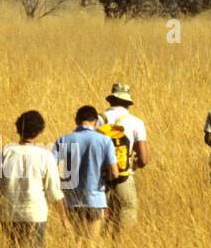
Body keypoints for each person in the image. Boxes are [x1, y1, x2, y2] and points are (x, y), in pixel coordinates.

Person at [0, 110, 70, 248]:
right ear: (39, 131)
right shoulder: (45, 156)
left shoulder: (6, 153)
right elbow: (55, 192)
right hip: (35, 214)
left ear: (18, 129)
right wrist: (65, 220)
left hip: (9, 214)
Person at [53, 105, 118, 239]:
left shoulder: (63, 139)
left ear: (76, 120)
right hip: (96, 200)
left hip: (71, 200)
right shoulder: (105, 141)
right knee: (91, 245)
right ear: (95, 121)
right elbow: (115, 173)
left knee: (75, 244)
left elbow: (50, 166)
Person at [97, 83, 148, 233]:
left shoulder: (99, 119)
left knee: (101, 217)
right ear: (128, 103)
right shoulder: (137, 122)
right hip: (125, 176)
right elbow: (144, 160)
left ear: (111, 99)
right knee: (127, 209)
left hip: (100, 177)